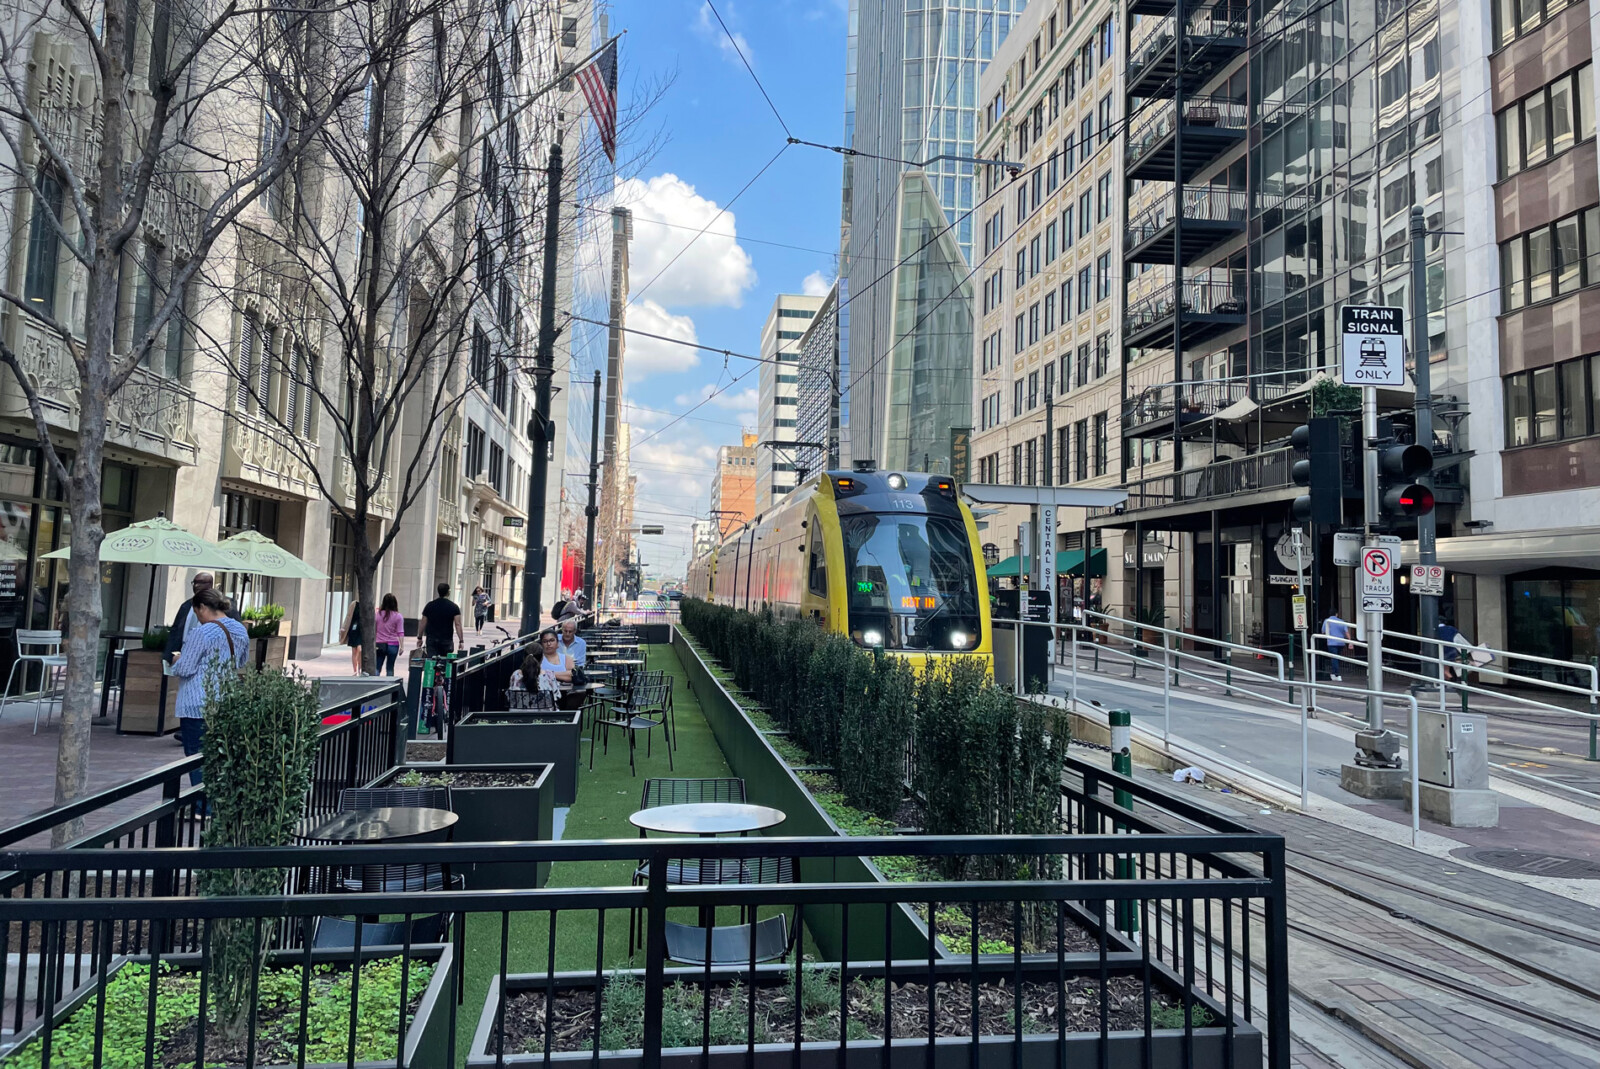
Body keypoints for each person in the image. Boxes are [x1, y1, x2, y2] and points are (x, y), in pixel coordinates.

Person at [170, 587, 249, 786]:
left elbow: (186, 668)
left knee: (196, 758)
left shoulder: (202, 632)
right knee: (220, 757)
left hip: (197, 703)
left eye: (197, 613)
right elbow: (241, 661)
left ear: (203, 607)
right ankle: (215, 800)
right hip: (225, 700)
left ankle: (200, 802)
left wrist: (176, 660)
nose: (198, 618)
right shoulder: (240, 629)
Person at [163, 572, 243, 663]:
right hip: (183, 655)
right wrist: (169, 657)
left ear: (210, 584)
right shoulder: (186, 606)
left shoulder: (225, 604)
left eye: (201, 582)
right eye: (195, 582)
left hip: (213, 659)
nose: (196, 585)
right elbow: (175, 631)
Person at [417, 583, 464, 657]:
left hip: (431, 639)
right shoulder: (454, 607)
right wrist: (461, 640)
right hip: (446, 640)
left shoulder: (429, 605)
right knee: (445, 660)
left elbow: (423, 623)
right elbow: (458, 624)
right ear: (448, 592)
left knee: (431, 660)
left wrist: (420, 638)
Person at [374, 593, 405, 675]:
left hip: (379, 643)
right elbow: (400, 632)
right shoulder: (398, 616)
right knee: (390, 668)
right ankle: (389, 682)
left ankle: (375, 681)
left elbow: (374, 630)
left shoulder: (378, 615)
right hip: (393, 644)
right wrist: (402, 646)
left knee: (377, 667)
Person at [1322, 610, 1351, 682]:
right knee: (1337, 658)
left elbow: (1323, 631)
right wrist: (1350, 642)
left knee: (1334, 658)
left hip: (1331, 642)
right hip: (1341, 642)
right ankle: (1334, 673)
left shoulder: (1327, 621)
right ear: (1336, 614)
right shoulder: (1342, 621)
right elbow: (1346, 632)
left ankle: (1336, 674)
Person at [339, 599, 365, 673]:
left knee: (360, 650)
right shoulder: (354, 604)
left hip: (362, 631)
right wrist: (344, 627)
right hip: (354, 630)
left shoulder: (367, 605)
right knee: (354, 651)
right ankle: (355, 670)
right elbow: (348, 616)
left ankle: (360, 668)